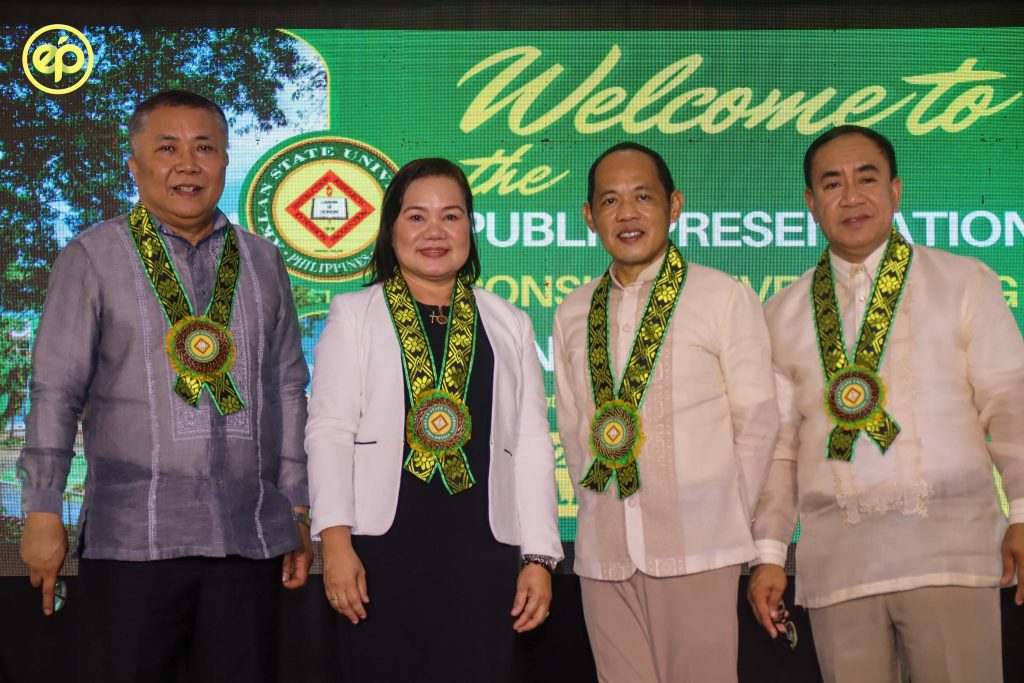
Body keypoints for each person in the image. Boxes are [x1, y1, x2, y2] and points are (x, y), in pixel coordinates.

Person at [17, 90, 312, 683]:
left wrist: (297, 505)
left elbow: (287, 388)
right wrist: (42, 509)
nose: (187, 164)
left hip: (247, 540)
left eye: (204, 148)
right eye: (167, 148)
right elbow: (54, 390)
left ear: (226, 160)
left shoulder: (262, 261)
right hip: (133, 541)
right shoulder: (92, 257)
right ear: (135, 164)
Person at [747, 125, 1024, 682]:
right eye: (832, 183)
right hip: (839, 567)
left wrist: (1023, 511)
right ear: (810, 203)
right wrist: (771, 551)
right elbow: (781, 448)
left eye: (866, 178)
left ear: (896, 190)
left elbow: (1010, 404)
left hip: (950, 552)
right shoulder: (781, 312)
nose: (851, 196)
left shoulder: (963, 281)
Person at [305, 157, 562, 682]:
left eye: (452, 216)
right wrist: (333, 544)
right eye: (416, 217)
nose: (435, 232)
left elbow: (533, 443)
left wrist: (539, 557)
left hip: (484, 550)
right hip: (380, 548)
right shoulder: (354, 314)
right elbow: (329, 431)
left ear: (470, 226)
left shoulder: (509, 321)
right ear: (391, 229)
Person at [553, 142, 778, 683]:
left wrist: (717, 513)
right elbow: (572, 427)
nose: (626, 213)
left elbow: (759, 425)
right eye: (609, 200)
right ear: (589, 217)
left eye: (642, 196)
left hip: (699, 548)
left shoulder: (723, 296)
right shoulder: (573, 309)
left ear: (674, 204)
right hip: (603, 554)